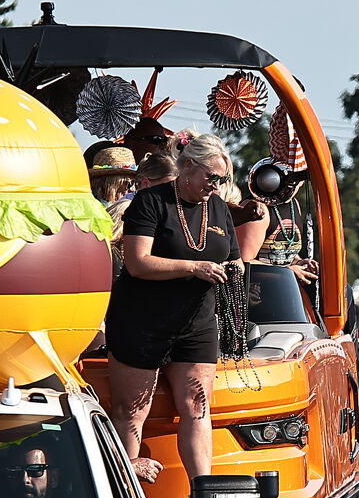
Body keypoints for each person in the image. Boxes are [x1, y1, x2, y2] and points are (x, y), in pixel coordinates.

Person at [104, 132, 265, 480]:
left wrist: (235, 271)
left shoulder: (218, 207)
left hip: (197, 323)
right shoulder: (151, 201)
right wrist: (194, 267)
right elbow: (137, 262)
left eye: (222, 179)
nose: (216, 185)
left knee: (196, 407)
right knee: (132, 410)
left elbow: (234, 258)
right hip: (142, 323)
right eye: (212, 177)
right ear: (187, 166)